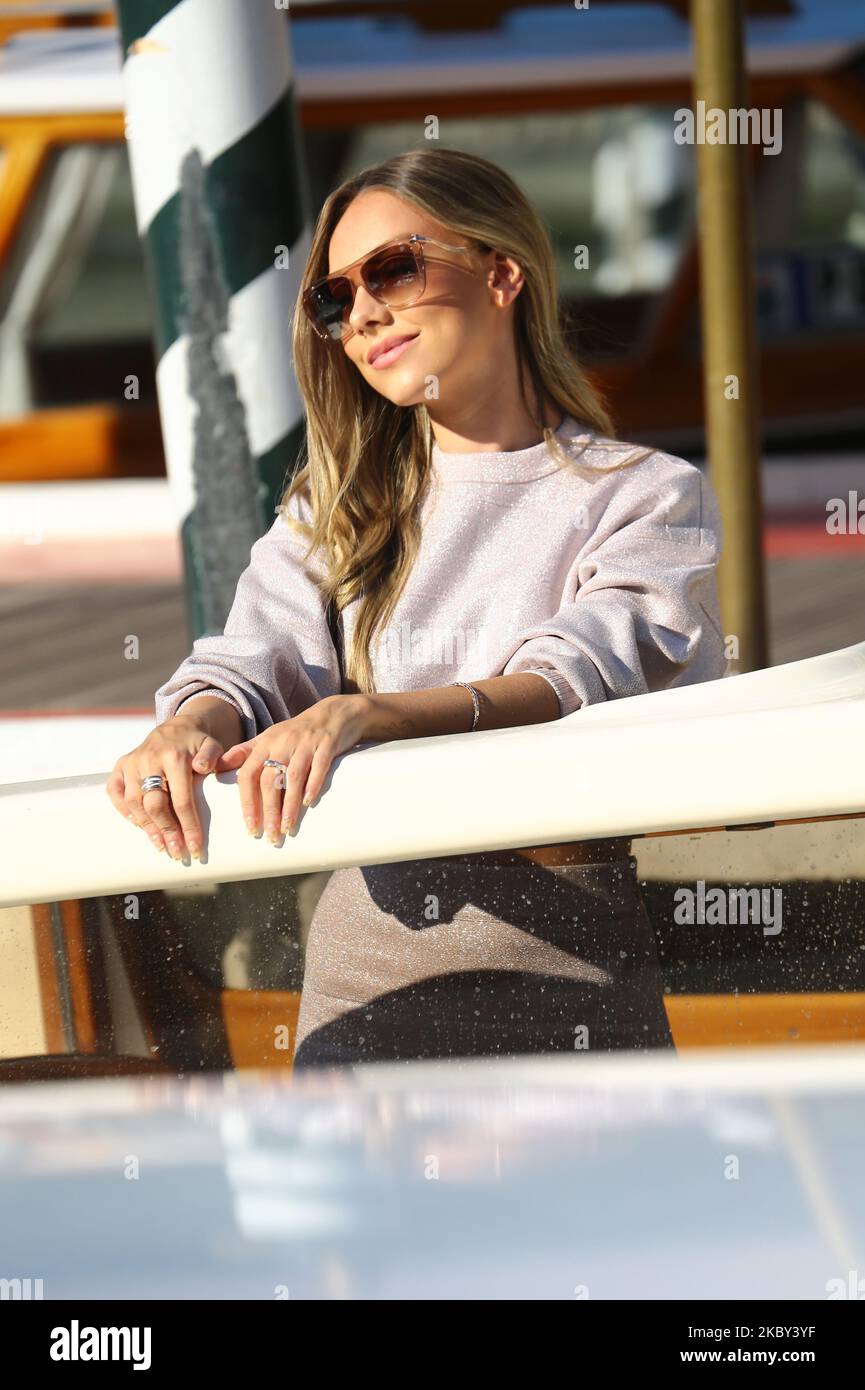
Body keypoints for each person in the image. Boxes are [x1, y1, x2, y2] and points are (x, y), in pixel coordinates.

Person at [107, 147, 726, 1067]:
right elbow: (249, 660)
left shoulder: (643, 495)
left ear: (502, 272)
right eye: (333, 298)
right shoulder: (335, 505)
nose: (361, 313)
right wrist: (189, 724)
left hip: (567, 973)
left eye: (393, 269)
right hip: (362, 980)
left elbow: (574, 673)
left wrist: (374, 715)